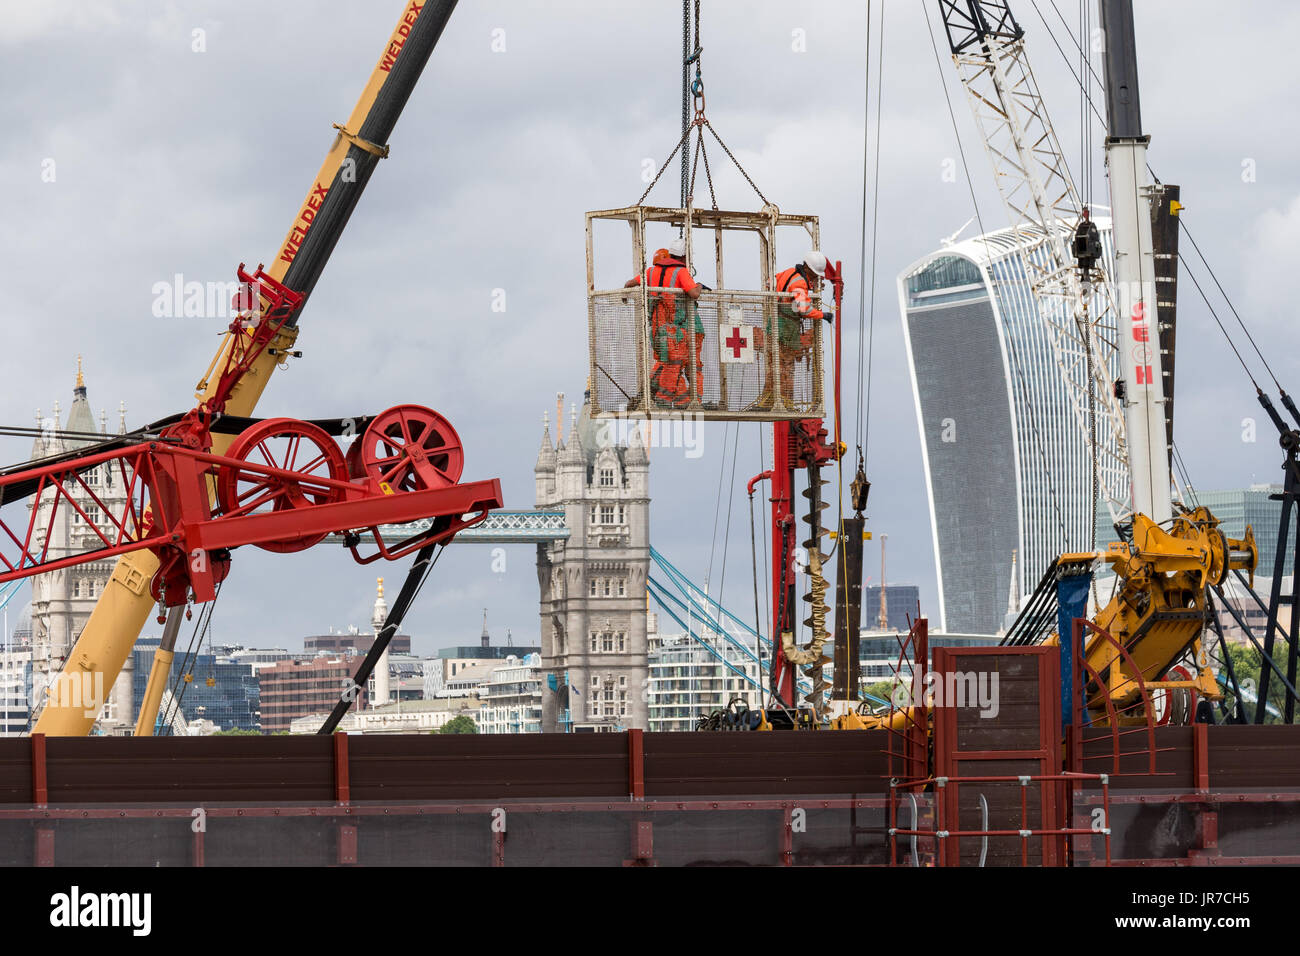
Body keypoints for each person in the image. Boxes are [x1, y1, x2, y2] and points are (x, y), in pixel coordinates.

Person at [625, 238, 705, 409]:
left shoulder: (650, 272)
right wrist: (698, 285)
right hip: (677, 329)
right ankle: (675, 400)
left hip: (657, 328)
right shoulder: (681, 272)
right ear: (684, 257)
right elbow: (693, 293)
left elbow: (629, 284)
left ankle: (658, 395)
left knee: (667, 362)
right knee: (681, 364)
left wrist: (628, 295)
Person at [766, 250, 833, 406]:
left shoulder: (789, 273)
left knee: (773, 366)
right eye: (815, 274)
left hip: (775, 323)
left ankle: (769, 400)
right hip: (786, 329)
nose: (816, 277)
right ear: (808, 269)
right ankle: (785, 402)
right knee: (786, 367)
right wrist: (823, 315)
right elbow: (804, 309)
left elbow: (770, 282)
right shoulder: (800, 283)